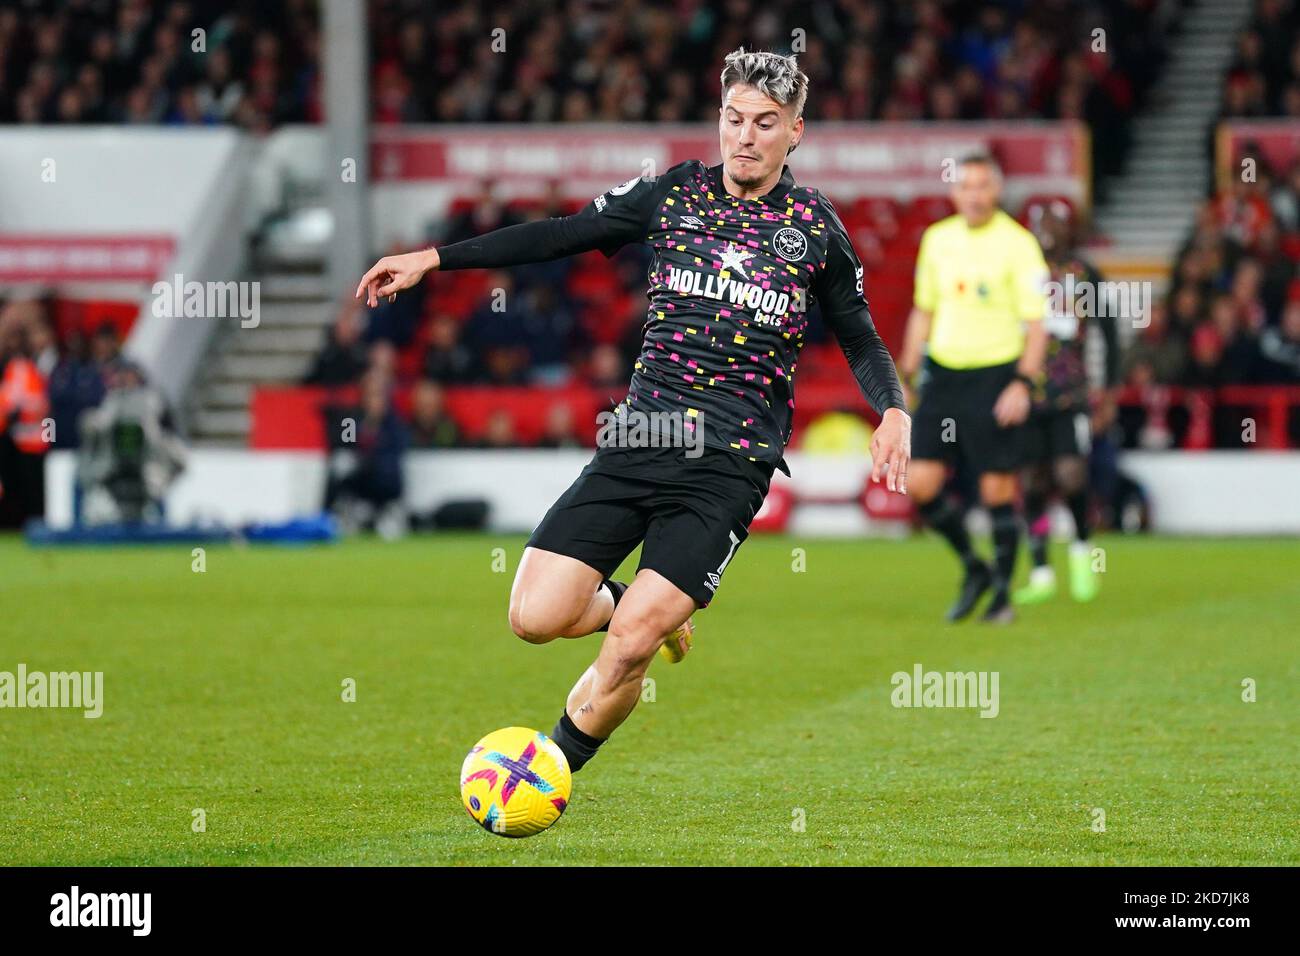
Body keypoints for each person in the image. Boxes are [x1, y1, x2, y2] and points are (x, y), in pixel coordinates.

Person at [355, 48, 910, 776]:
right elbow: (559, 235)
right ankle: (630, 602)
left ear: (796, 131)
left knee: (629, 647)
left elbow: (859, 334)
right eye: (733, 119)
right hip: (639, 439)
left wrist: (893, 409)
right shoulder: (671, 196)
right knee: (534, 619)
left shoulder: (813, 231)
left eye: (765, 123)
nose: (745, 136)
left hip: (728, 466)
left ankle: (547, 769)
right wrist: (434, 258)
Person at [898, 152, 1048, 624]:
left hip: (996, 374)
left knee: (996, 490)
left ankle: (1002, 596)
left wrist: (1023, 382)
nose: (975, 195)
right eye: (967, 186)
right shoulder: (938, 240)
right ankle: (973, 567)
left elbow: (1038, 323)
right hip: (943, 375)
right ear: (954, 191)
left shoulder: (1020, 244)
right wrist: (904, 368)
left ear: (997, 191)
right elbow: (924, 308)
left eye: (984, 186)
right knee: (920, 484)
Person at [1013, 207, 1120, 606]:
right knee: (1032, 481)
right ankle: (1041, 570)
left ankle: (1081, 551)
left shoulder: (1084, 273)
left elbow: (1108, 333)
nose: (1048, 233)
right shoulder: (1019, 271)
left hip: (1070, 394)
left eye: (1055, 226)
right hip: (1025, 394)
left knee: (1071, 473)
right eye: (1042, 226)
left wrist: (1108, 392)